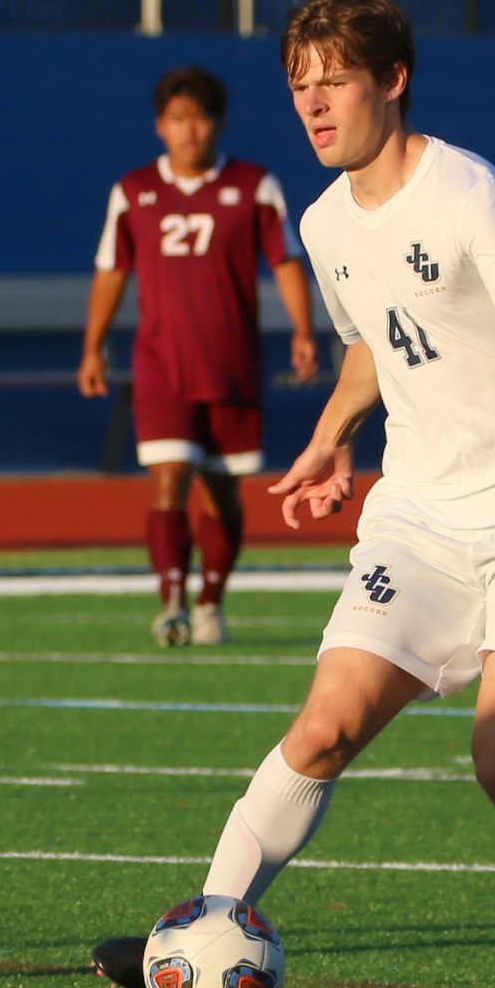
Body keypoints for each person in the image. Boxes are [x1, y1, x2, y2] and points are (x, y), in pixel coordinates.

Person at [92, 0, 495, 988]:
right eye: (298, 85)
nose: (312, 104)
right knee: (325, 725)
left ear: (394, 80)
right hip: (422, 506)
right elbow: (373, 347)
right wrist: (331, 435)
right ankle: (203, 930)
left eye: (334, 81)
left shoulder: (469, 190)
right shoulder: (323, 220)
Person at [79, 67, 318, 648]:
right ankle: (172, 605)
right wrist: (92, 346)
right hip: (161, 366)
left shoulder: (254, 186)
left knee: (223, 492)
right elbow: (111, 270)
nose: (191, 130)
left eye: (202, 117)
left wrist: (303, 330)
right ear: (161, 126)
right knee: (168, 481)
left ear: (219, 123)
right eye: (179, 118)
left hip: (231, 366)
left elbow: (285, 260)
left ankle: (210, 601)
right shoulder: (133, 191)